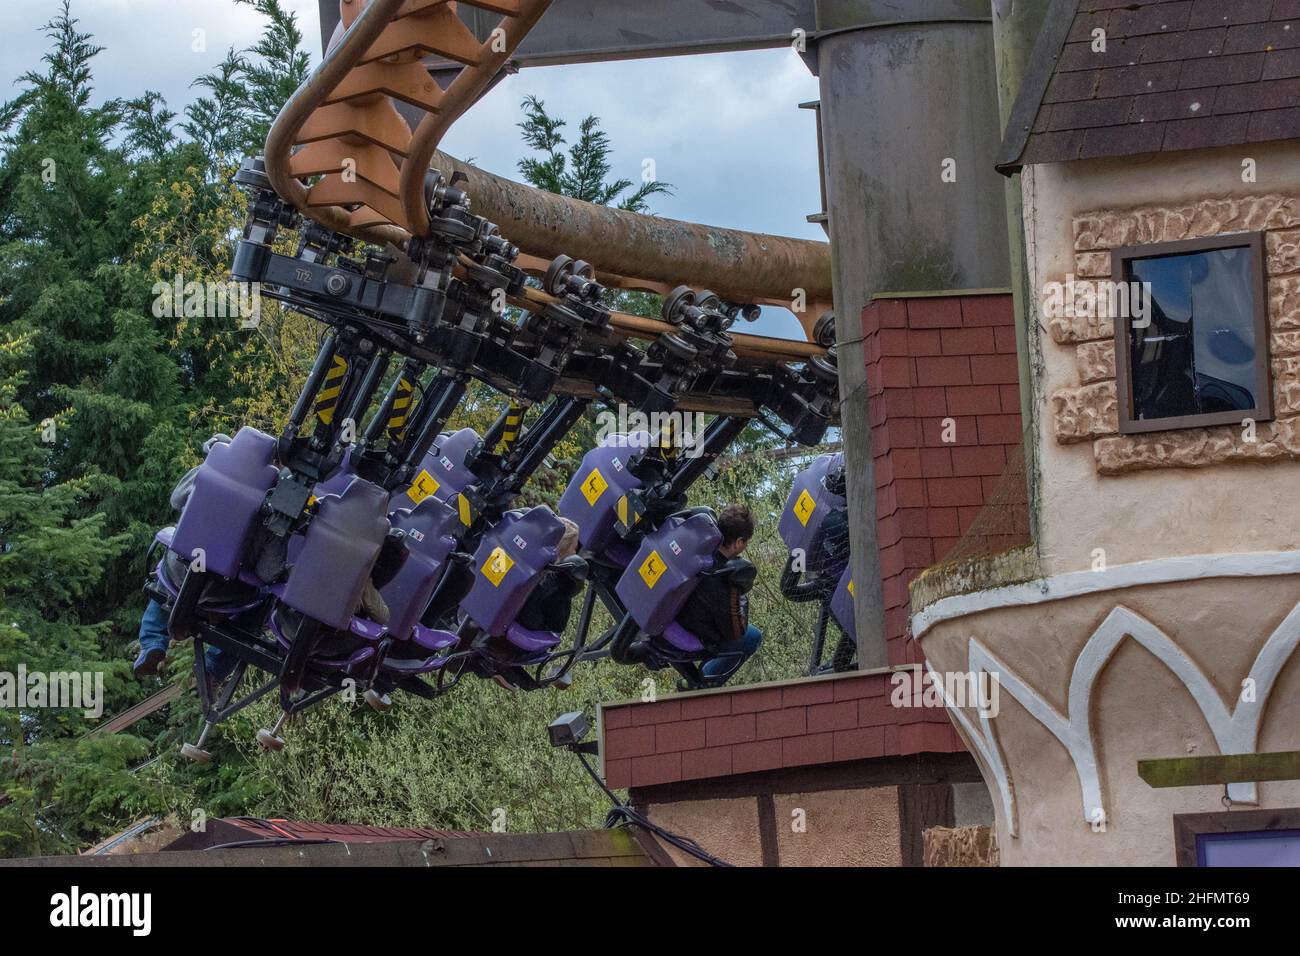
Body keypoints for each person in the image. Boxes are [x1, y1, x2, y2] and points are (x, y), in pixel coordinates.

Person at [133, 434, 237, 682]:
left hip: (181, 574)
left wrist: (207, 465)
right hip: (229, 595)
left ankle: (152, 643)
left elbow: (176, 498)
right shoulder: (272, 497)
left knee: (164, 579)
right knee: (253, 612)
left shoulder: (208, 473)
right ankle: (215, 668)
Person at [676, 504, 762, 680]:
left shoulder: (697, 548)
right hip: (694, 630)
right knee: (753, 636)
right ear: (739, 542)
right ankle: (704, 683)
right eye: (746, 541)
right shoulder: (726, 580)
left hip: (674, 614)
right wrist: (742, 598)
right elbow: (736, 632)